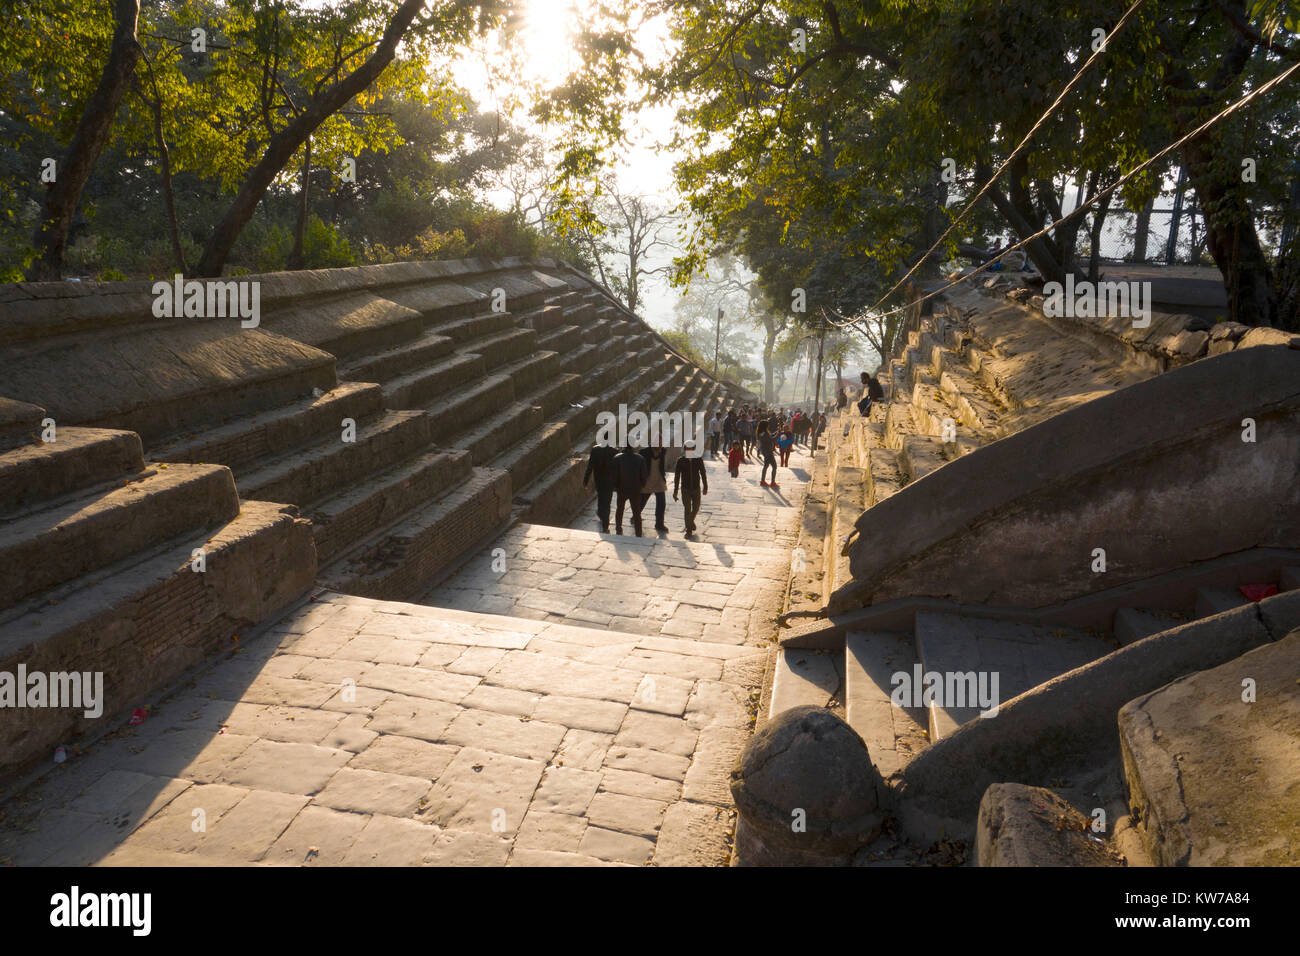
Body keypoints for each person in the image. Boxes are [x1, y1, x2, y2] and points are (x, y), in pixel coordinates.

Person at [673, 439, 709, 536]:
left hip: (696, 488)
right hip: (685, 489)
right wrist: (675, 491)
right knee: (687, 509)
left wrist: (705, 486)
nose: (689, 450)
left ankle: (690, 521)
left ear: (694, 449)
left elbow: (703, 473)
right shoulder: (680, 461)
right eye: (687, 449)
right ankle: (688, 530)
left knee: (696, 508)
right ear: (685, 449)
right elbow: (677, 477)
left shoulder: (698, 460)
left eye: (691, 449)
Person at [582, 440, 618, 532]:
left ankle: (601, 514)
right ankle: (605, 524)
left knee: (601, 497)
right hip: (609, 481)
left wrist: (586, 480)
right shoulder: (614, 451)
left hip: (598, 480)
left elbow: (590, 466)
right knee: (607, 502)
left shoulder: (595, 449)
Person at [614, 445, 649, 536]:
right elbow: (644, 475)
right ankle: (638, 532)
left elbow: (614, 475)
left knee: (620, 509)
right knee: (636, 512)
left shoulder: (617, 458)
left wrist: (616, 487)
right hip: (635, 489)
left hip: (622, 488)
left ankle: (618, 529)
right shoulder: (640, 458)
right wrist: (641, 486)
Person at [638, 442, 669, 533]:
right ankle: (635, 516)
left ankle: (659, 524)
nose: (660, 445)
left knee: (661, 503)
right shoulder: (644, 452)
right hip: (648, 480)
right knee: (642, 501)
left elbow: (662, 465)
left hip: (659, 481)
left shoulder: (663, 451)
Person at [757, 421, 779, 488]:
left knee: (766, 465)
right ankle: (772, 482)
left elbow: (770, 436)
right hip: (768, 451)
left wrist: (776, 432)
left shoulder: (762, 433)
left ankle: (763, 481)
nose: (768, 426)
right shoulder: (764, 433)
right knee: (774, 466)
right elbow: (771, 439)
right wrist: (777, 434)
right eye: (767, 425)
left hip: (765, 451)